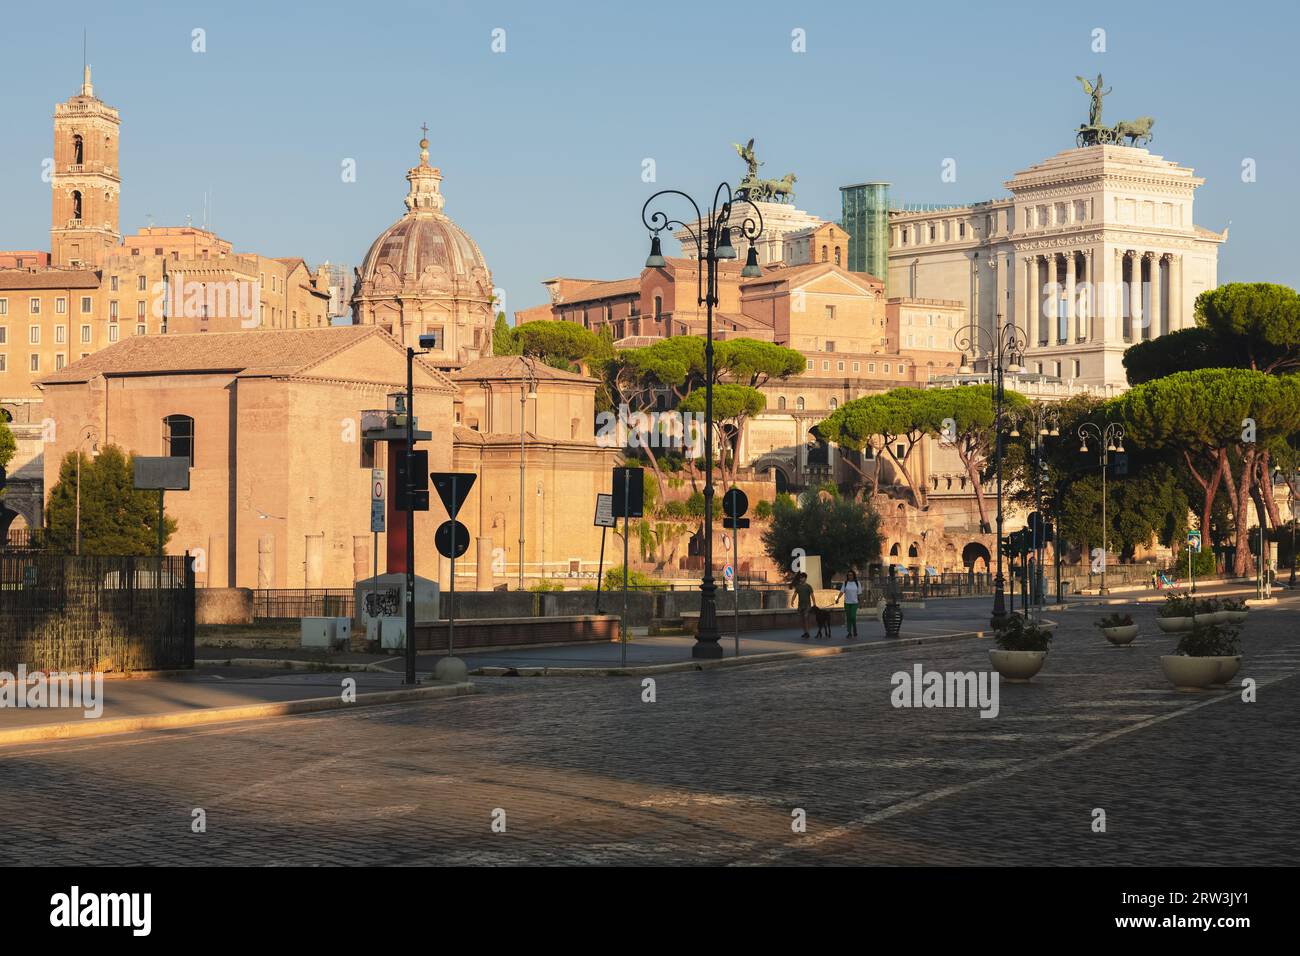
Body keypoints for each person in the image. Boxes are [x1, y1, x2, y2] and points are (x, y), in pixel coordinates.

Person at [834, 569, 861, 639]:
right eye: (849, 575)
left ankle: (854, 628)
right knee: (848, 618)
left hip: (854, 603)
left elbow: (859, 594)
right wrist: (837, 599)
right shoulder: (845, 583)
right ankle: (849, 632)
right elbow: (842, 592)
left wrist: (860, 603)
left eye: (851, 575)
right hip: (847, 603)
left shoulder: (857, 583)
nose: (850, 576)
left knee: (852, 616)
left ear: (853, 575)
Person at [792, 572, 814, 640]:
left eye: (802, 578)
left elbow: (812, 595)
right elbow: (795, 594)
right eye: (800, 578)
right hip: (800, 605)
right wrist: (792, 601)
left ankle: (807, 632)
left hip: (807, 605)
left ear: (805, 578)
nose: (801, 579)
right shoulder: (798, 586)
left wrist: (814, 603)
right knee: (802, 619)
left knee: (806, 618)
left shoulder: (808, 586)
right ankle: (805, 632)